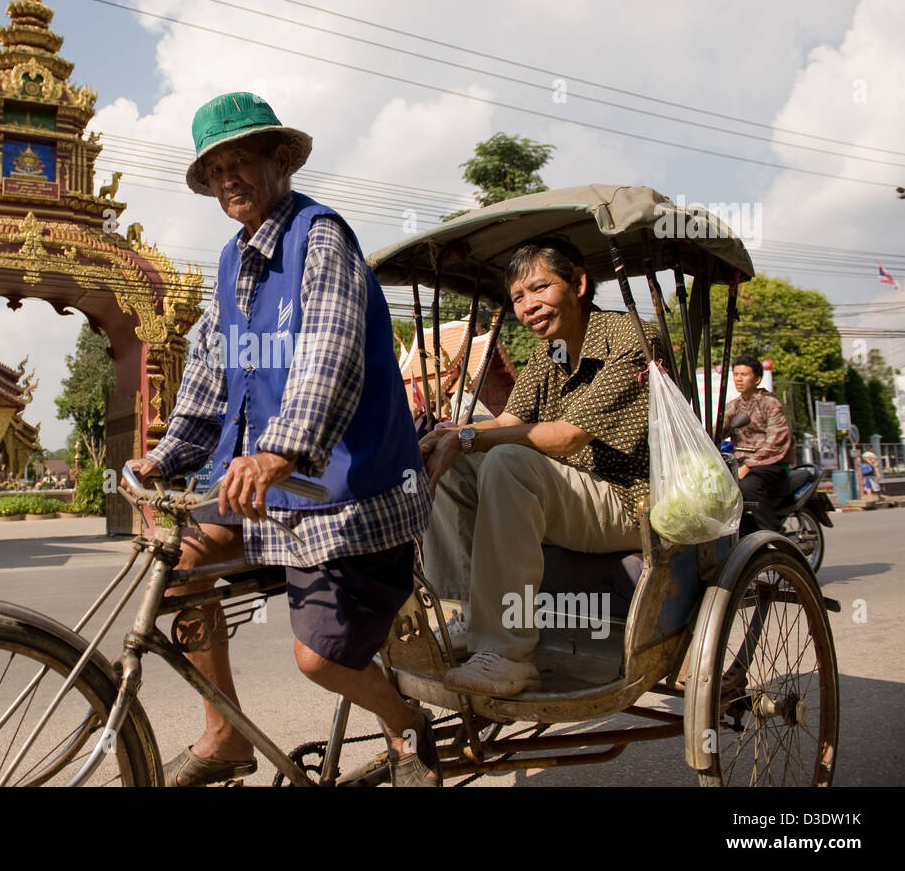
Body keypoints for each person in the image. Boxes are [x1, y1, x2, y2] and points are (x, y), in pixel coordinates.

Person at [126, 92, 434, 786]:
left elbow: (329, 355)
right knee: (176, 563)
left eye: (243, 160)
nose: (229, 178)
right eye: (215, 170)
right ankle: (225, 734)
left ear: (283, 158)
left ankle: (406, 725)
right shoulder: (231, 264)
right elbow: (209, 378)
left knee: (319, 659)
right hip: (268, 489)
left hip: (347, 491)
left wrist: (279, 450)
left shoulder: (319, 236)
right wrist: (164, 457)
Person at [420, 237, 667, 697]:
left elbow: (569, 435)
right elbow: (510, 421)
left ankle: (509, 656)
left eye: (539, 288)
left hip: (628, 500)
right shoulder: (548, 353)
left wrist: (471, 437)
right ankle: (470, 615)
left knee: (507, 459)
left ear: (578, 283)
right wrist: (449, 436)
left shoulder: (631, 338)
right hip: (571, 492)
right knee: (455, 460)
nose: (529, 305)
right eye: (518, 297)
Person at [722, 355, 794, 531]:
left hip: (769, 464)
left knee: (747, 486)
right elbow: (720, 428)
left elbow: (776, 441)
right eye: (736, 374)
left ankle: (774, 533)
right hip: (739, 462)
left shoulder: (770, 404)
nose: (739, 378)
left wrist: (749, 465)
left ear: (757, 379)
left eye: (744, 374)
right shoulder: (734, 405)